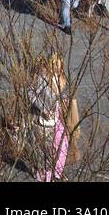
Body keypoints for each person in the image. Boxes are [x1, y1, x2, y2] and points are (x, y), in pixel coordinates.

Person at [29, 54, 78, 182]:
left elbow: (58, 96)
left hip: (58, 116)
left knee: (63, 144)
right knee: (47, 150)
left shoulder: (62, 78)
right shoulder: (42, 78)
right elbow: (30, 93)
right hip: (46, 120)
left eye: (59, 63)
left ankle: (57, 172)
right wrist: (43, 108)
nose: (57, 66)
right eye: (55, 63)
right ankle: (46, 176)